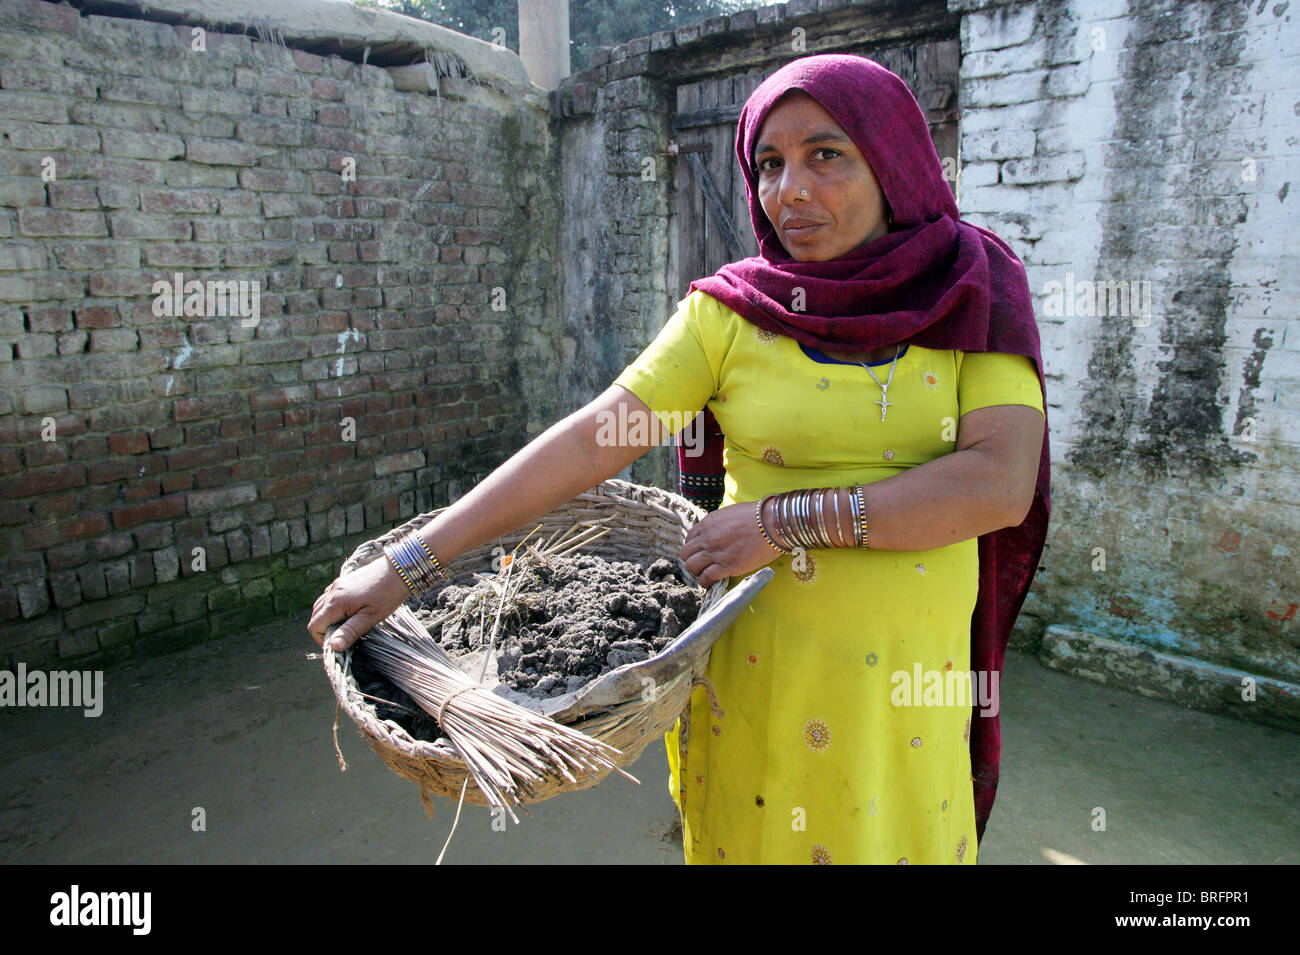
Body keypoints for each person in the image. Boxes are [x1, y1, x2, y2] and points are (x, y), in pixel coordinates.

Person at [308, 53, 1050, 865]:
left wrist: (787, 520)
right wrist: (406, 566)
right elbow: (596, 440)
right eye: (769, 163)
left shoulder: (974, 286)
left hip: (905, 679)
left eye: (825, 154)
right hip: (757, 660)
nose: (788, 189)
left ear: (895, 160)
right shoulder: (730, 315)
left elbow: (997, 483)